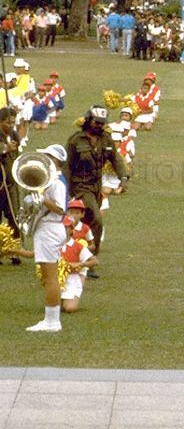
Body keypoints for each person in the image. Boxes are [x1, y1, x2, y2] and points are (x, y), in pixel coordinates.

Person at [65, 106, 128, 260]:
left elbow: (115, 158)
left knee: (85, 221)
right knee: (96, 219)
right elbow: (67, 165)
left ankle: (74, 252)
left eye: (102, 123)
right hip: (80, 186)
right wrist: (65, 188)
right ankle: (91, 257)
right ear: (88, 121)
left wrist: (124, 177)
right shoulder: (76, 140)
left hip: (96, 187)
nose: (99, 126)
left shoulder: (106, 138)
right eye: (96, 122)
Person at [22, 144, 68, 332]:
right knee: (49, 276)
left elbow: (60, 208)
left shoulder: (57, 183)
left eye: (48, 157)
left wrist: (41, 199)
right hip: (46, 229)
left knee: (50, 277)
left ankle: (52, 322)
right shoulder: (49, 181)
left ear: (55, 162)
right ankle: (50, 320)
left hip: (51, 229)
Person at [58, 215, 99, 313]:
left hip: (73, 278)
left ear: (71, 229)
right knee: (54, 306)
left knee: (70, 308)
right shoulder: (53, 244)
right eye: (61, 227)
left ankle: (71, 297)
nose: (63, 230)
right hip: (58, 279)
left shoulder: (77, 246)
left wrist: (79, 264)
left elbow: (94, 261)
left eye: (66, 227)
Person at [0, 108, 21, 263]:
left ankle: (14, 251)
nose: (11, 125)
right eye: (8, 122)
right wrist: (6, 148)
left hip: (11, 183)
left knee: (14, 217)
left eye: (13, 122)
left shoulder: (14, 135)